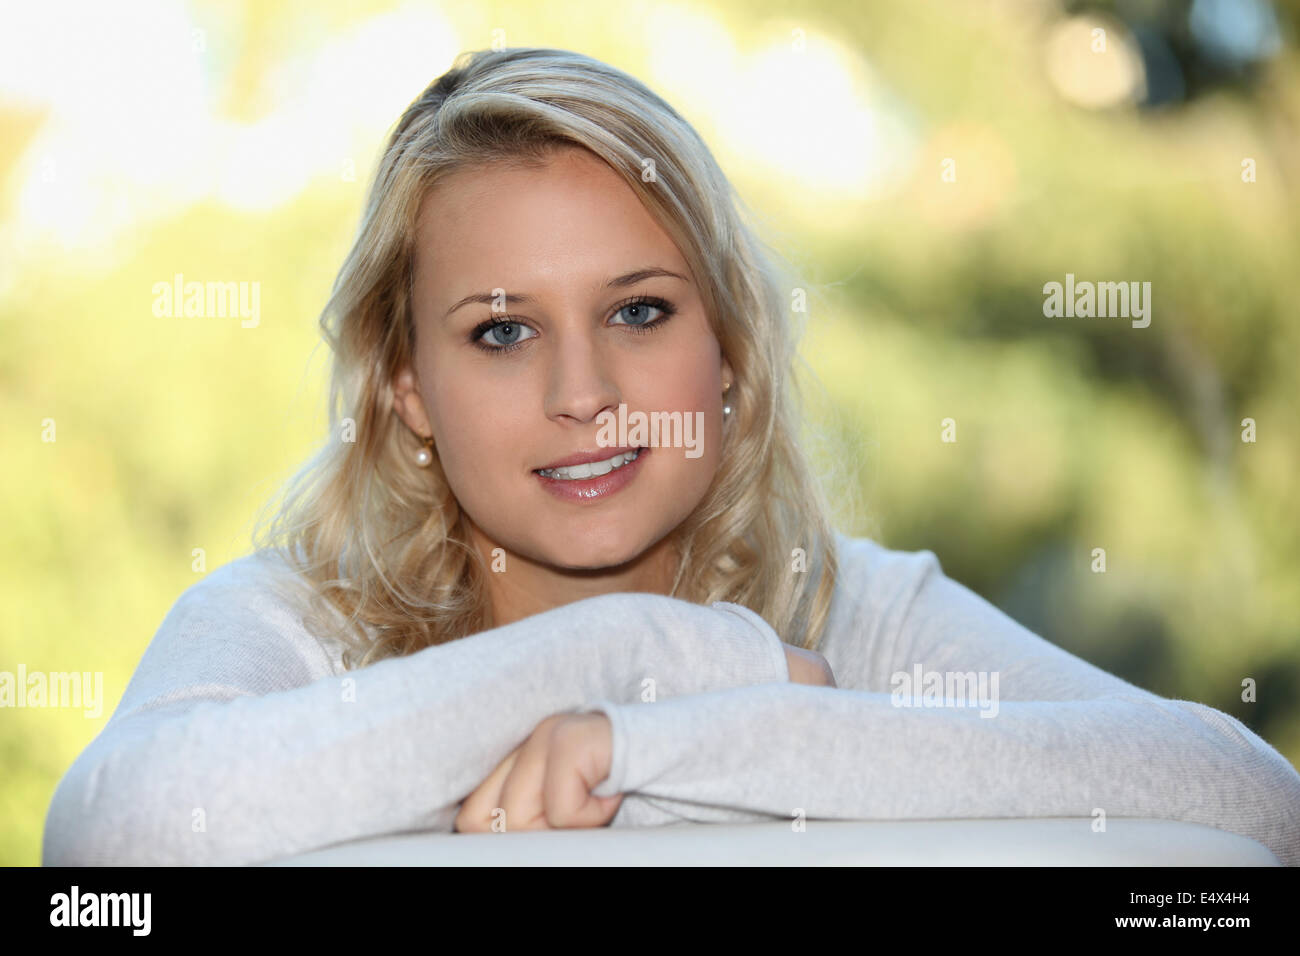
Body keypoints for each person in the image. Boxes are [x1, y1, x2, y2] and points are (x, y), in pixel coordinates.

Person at [43, 47, 1300, 866]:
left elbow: (1245, 802)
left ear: (732, 349)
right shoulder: (300, 622)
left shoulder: (849, 611)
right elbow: (117, 838)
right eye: (500, 330)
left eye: (639, 311)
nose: (584, 393)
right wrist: (652, 660)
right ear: (406, 386)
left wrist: (652, 747)